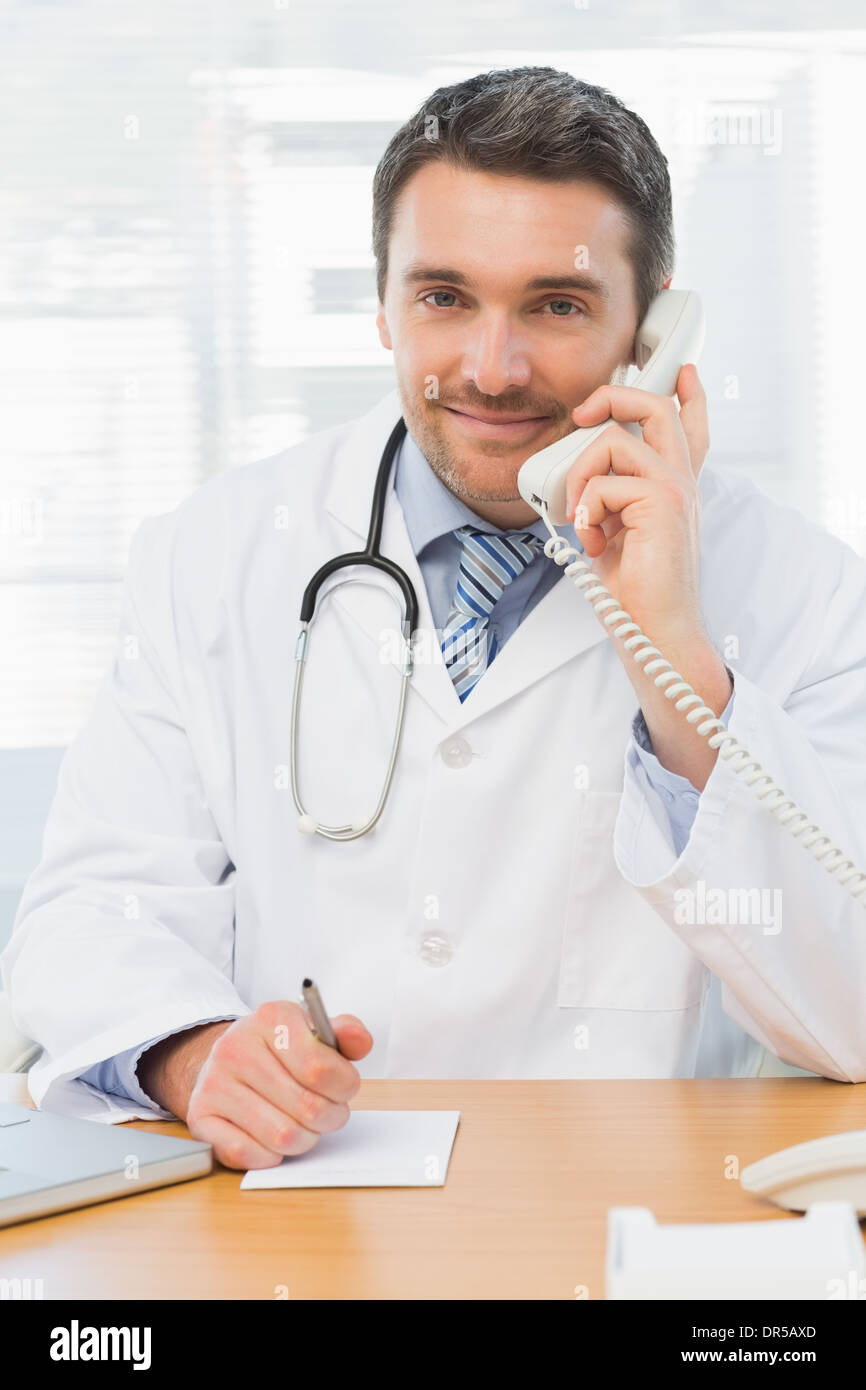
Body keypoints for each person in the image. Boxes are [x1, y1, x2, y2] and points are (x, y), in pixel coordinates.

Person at [3, 67, 866, 1173]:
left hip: (628, 1225)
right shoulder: (212, 554)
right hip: (295, 1226)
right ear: (382, 305)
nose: (491, 370)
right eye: (443, 296)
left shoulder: (797, 591)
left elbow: (848, 1014)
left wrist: (674, 650)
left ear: (653, 326)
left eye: (555, 304)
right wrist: (195, 1055)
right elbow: (89, 917)